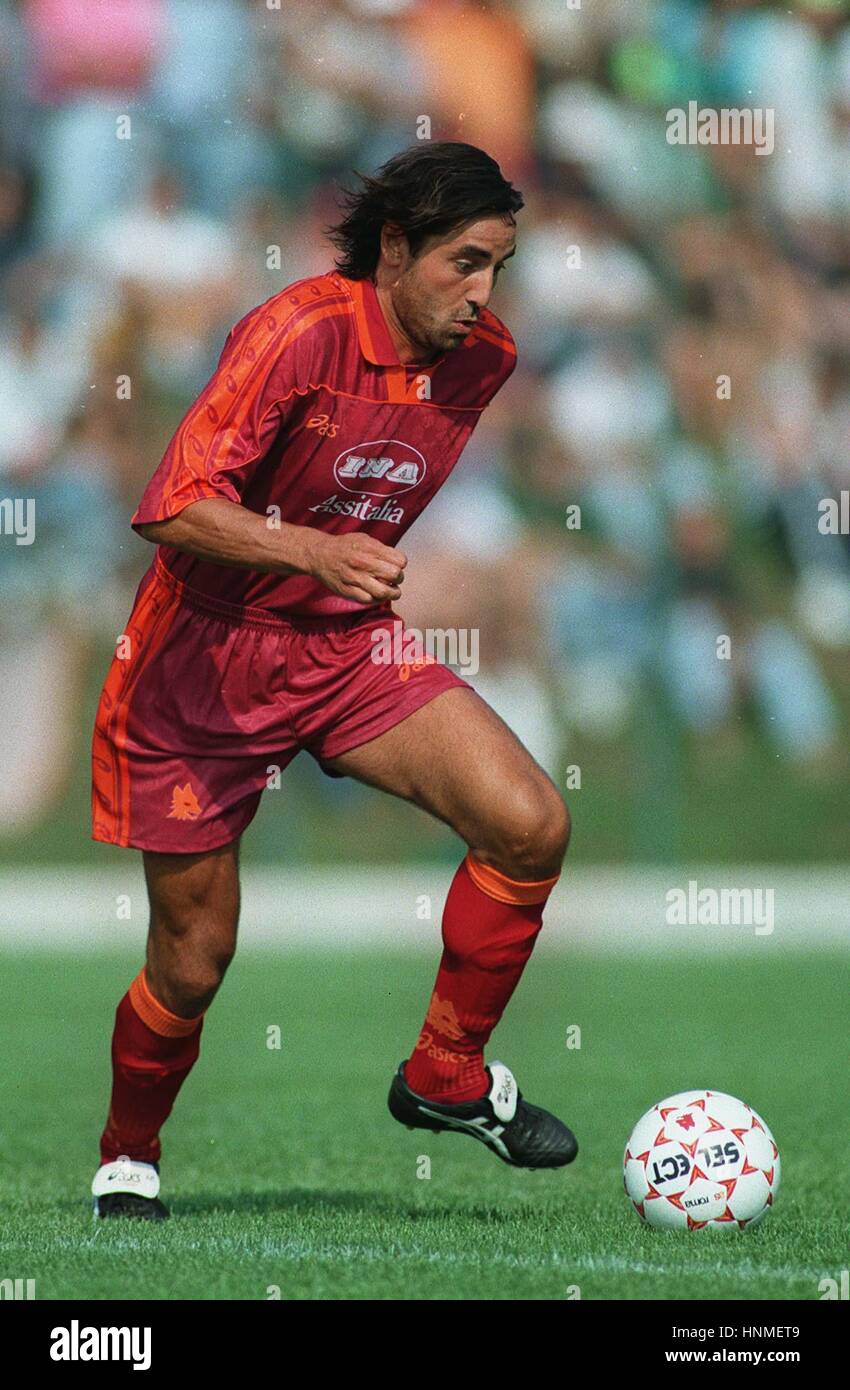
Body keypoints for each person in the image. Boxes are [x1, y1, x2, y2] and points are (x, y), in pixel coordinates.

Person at [90, 141, 576, 1220]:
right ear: (394, 247)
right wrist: (314, 550)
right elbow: (170, 504)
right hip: (200, 659)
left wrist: (342, 572)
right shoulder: (295, 333)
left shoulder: (482, 359)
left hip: (342, 647)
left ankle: (446, 1072)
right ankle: (129, 1155)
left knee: (530, 822)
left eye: (498, 264)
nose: (484, 293)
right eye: (463, 262)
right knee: (194, 960)